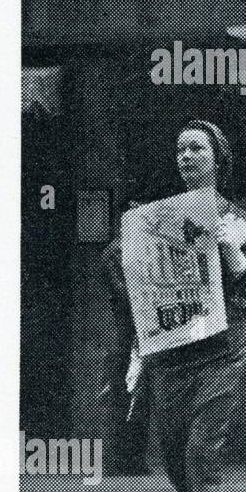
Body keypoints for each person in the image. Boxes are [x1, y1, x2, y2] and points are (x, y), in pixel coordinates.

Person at [141, 121, 246, 492]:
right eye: (179, 149)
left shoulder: (234, 218)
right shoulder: (158, 219)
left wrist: (233, 250)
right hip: (172, 354)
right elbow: (138, 279)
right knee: (176, 458)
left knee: (201, 450)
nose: (186, 156)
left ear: (217, 157)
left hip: (221, 350)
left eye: (196, 148)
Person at [99, 197, 151, 476]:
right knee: (120, 394)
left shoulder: (143, 250)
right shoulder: (114, 252)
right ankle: (118, 460)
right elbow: (124, 292)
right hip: (125, 331)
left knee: (140, 396)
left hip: (142, 331)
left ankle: (134, 459)